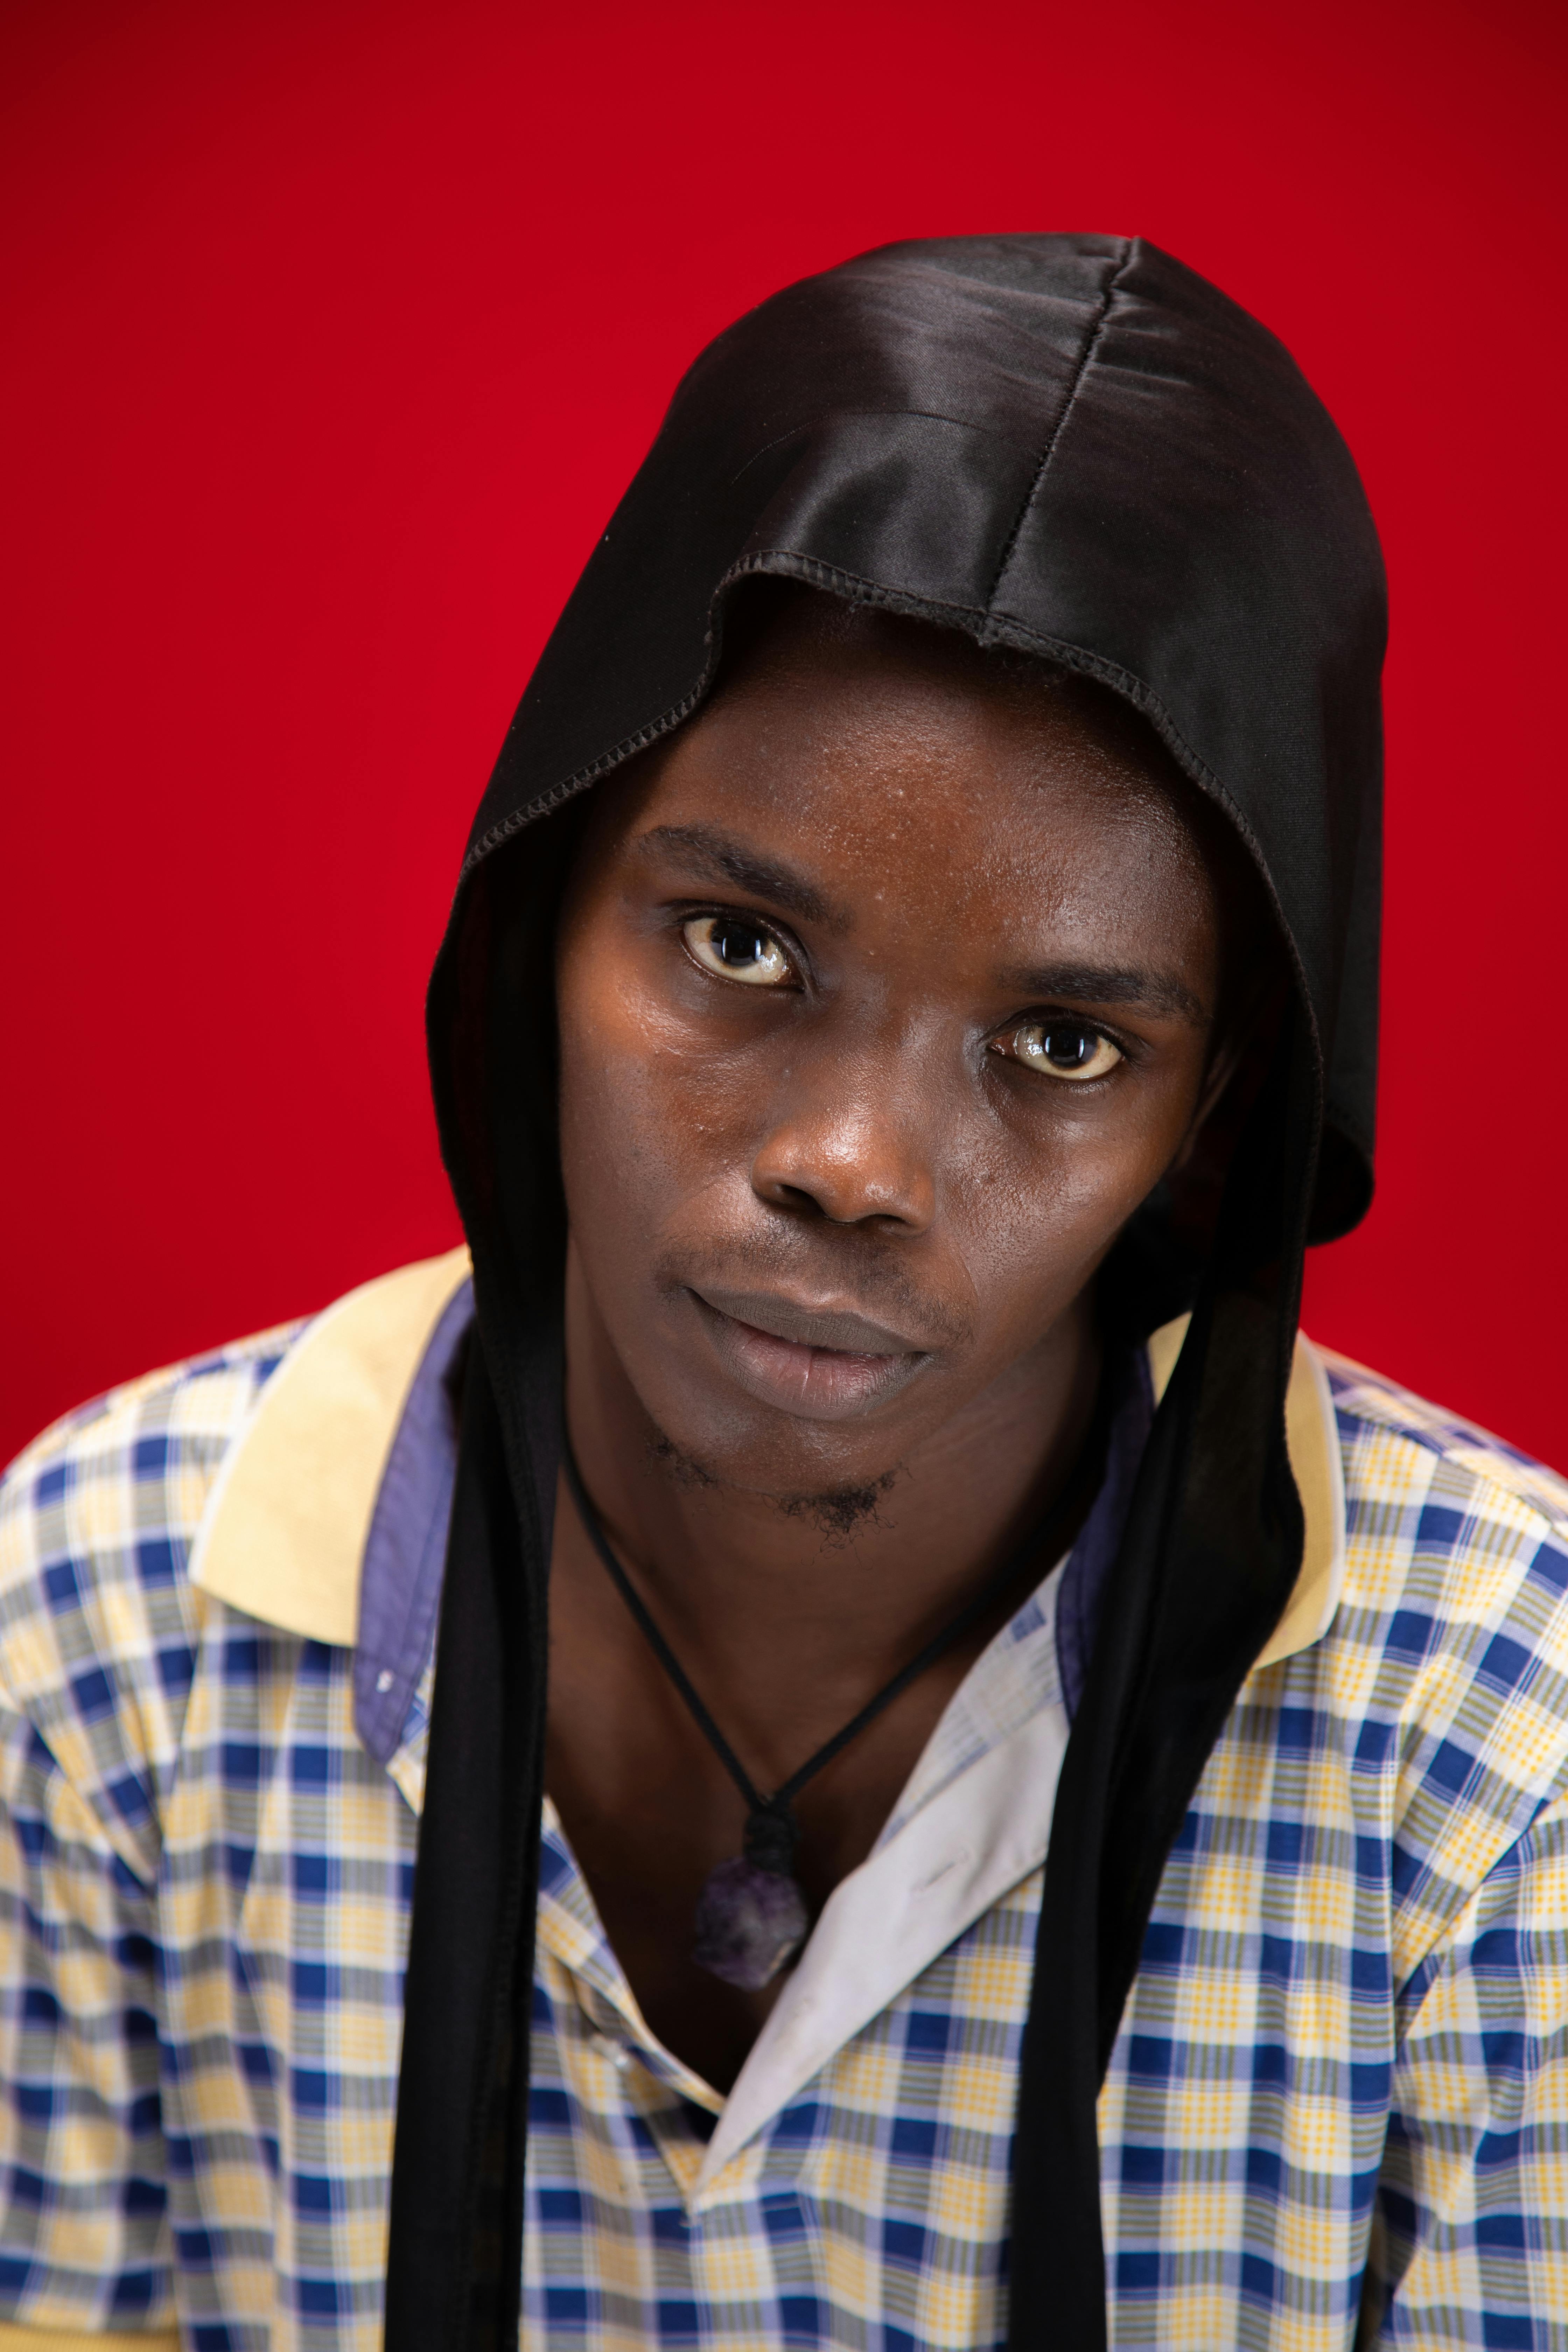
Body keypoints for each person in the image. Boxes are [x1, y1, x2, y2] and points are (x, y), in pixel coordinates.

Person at [0, 233, 1563, 2352]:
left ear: (1218, 1124)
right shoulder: (94, 1630)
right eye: (742, 945)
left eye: (1067, 1047)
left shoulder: (1503, 1769)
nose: (853, 1162)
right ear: (542, 908)